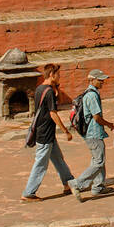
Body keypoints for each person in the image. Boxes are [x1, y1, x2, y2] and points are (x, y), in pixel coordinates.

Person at [22, 63, 75, 201]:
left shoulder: (40, 88)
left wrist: (56, 88)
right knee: (40, 163)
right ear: (52, 75)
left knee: (58, 159)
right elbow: (53, 113)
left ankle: (69, 183)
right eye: (58, 75)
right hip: (45, 134)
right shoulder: (49, 92)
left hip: (46, 132)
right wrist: (65, 131)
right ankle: (29, 192)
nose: (59, 77)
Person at [69, 69, 114, 201]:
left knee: (98, 159)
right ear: (92, 80)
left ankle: (98, 186)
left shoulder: (89, 93)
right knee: (98, 161)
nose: (102, 82)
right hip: (93, 132)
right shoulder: (92, 95)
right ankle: (76, 184)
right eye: (100, 80)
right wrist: (108, 124)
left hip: (91, 132)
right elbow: (96, 117)